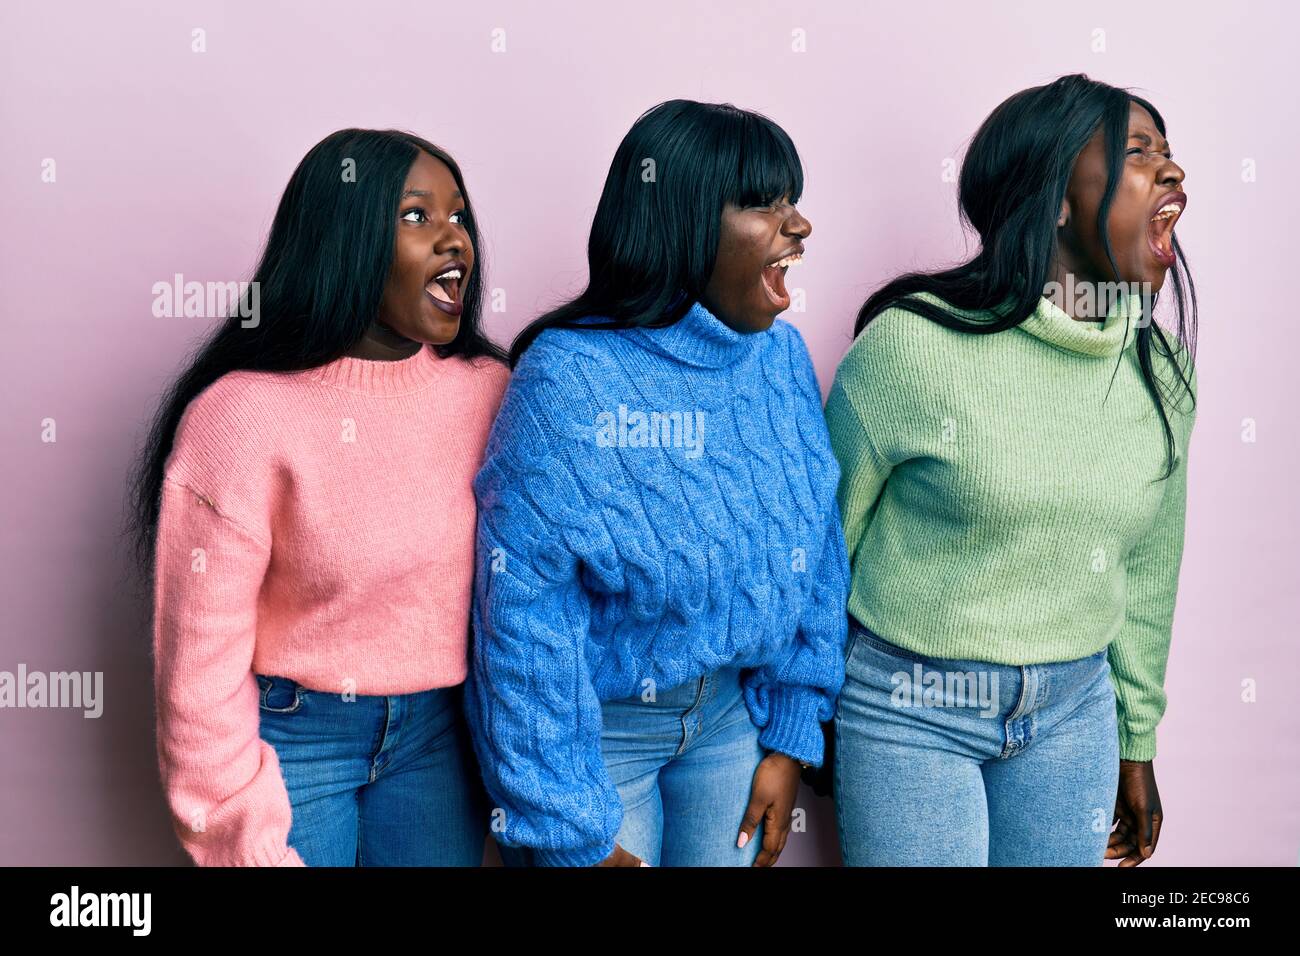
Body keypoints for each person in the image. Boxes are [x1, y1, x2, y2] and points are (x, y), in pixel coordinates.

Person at [464, 100, 849, 867]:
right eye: (762, 204)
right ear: (680, 222)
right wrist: (566, 825)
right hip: (599, 738)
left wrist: (789, 738)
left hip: (730, 723)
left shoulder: (781, 360)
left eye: (793, 201)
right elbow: (520, 620)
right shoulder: (569, 380)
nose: (797, 224)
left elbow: (818, 549)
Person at [828, 74, 1197, 866]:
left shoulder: (1160, 370)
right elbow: (821, 548)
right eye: (1138, 153)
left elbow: (1149, 567)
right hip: (911, 709)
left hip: (1074, 715)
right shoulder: (911, 348)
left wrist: (1137, 738)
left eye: (1171, 155)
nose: (1172, 172)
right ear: (1055, 197)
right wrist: (799, 724)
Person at [130, 128, 509, 866]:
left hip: (444, 735)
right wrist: (241, 831)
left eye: (458, 216)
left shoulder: (493, 394)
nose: (453, 239)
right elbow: (199, 673)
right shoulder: (241, 416)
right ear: (344, 238)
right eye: (415, 217)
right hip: (294, 740)